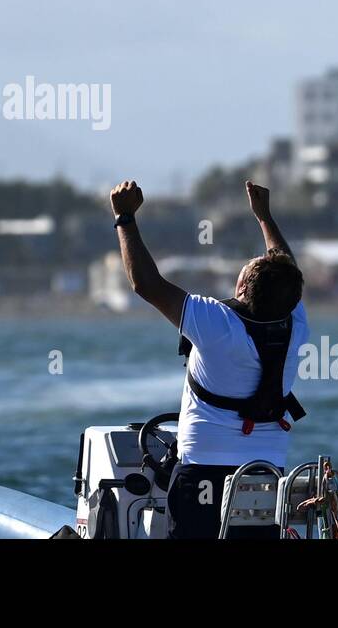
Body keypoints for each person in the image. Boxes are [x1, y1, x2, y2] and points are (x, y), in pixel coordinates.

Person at [110, 179, 309, 539]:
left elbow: (146, 284)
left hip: (204, 469)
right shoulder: (296, 324)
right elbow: (288, 273)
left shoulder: (217, 322)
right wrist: (265, 218)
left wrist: (124, 218)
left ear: (243, 289)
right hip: (266, 475)